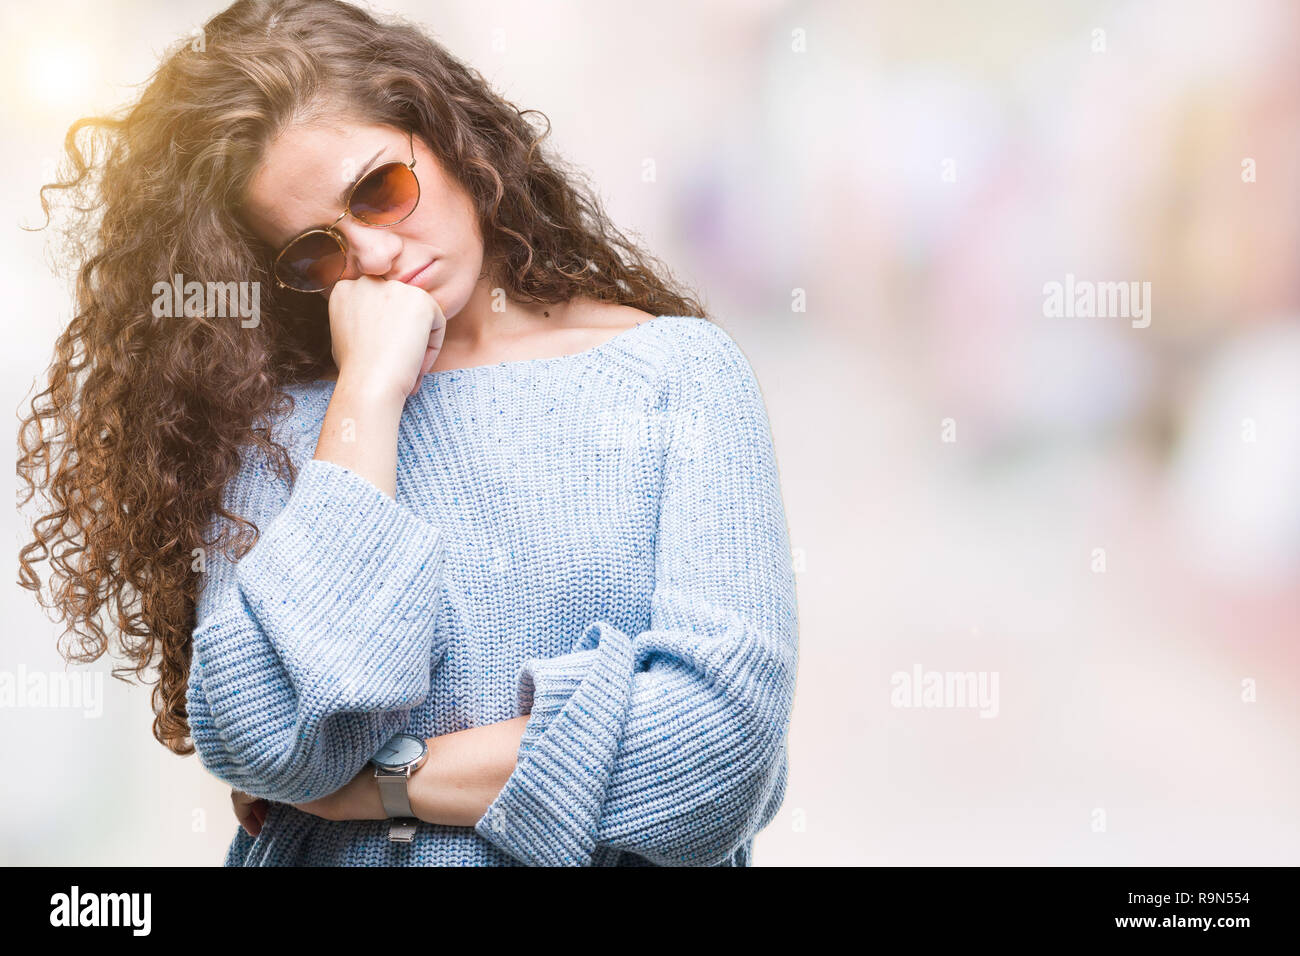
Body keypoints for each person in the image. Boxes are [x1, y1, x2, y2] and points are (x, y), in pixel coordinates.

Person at [18, 0, 798, 866]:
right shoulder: (279, 422)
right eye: (318, 251)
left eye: (379, 191)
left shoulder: (678, 376)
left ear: (452, 134)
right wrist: (370, 392)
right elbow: (270, 743)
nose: (375, 256)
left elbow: (716, 757)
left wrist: (379, 784)